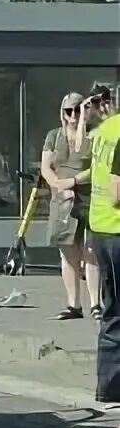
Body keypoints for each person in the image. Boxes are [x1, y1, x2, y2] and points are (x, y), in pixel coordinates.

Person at [40, 92, 98, 320]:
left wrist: (73, 181)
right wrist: (56, 183)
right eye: (68, 110)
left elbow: (97, 168)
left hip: (87, 198)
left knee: (90, 252)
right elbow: (46, 165)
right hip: (62, 201)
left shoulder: (92, 135)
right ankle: (74, 304)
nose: (73, 115)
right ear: (62, 113)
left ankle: (95, 303)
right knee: (67, 253)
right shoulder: (54, 136)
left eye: (77, 109)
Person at [87, 83, 120, 406]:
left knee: (112, 310)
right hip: (118, 229)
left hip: (101, 228)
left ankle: (109, 386)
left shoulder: (104, 131)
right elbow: (117, 191)